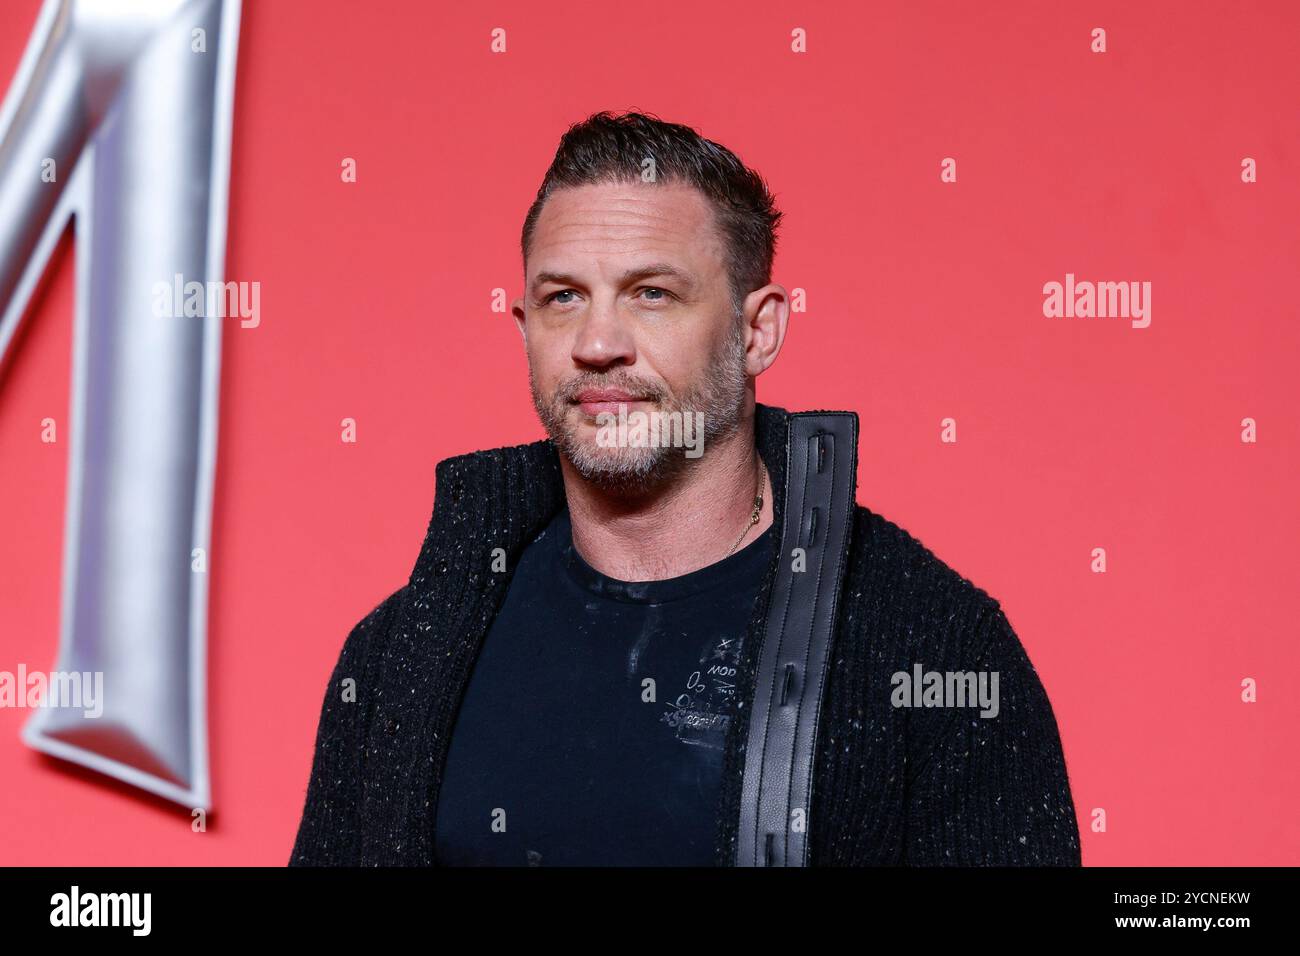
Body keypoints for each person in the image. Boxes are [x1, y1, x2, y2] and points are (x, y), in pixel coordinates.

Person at [289, 110, 1081, 867]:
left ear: (757, 330)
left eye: (652, 293)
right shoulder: (403, 652)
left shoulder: (934, 643)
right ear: (523, 328)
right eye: (564, 298)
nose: (598, 344)